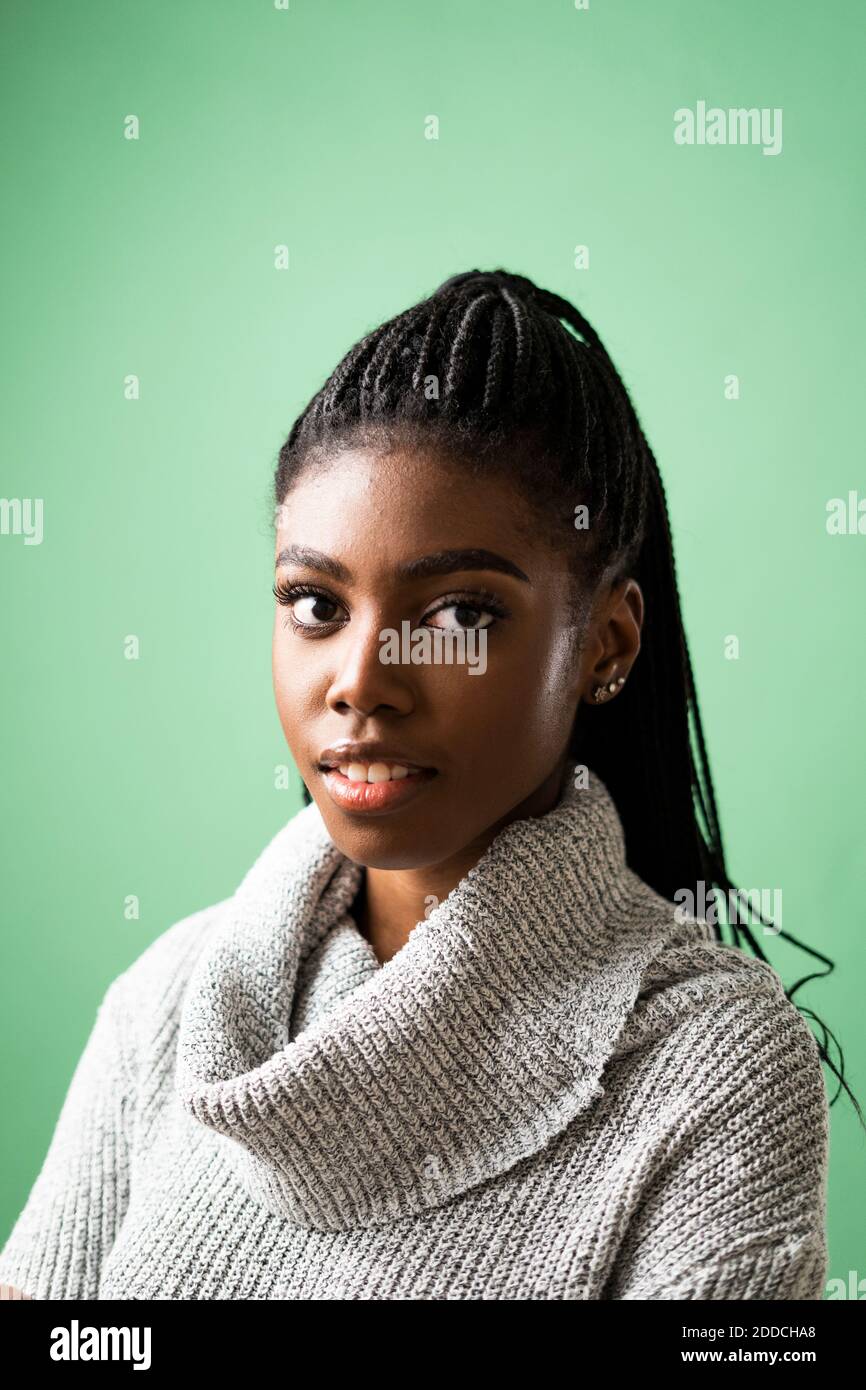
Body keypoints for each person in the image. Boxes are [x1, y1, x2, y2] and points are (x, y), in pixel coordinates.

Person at [0, 268, 857, 1300]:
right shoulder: (168, 1000)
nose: (359, 679)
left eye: (458, 614)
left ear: (605, 643)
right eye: (315, 603)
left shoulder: (713, 1066)